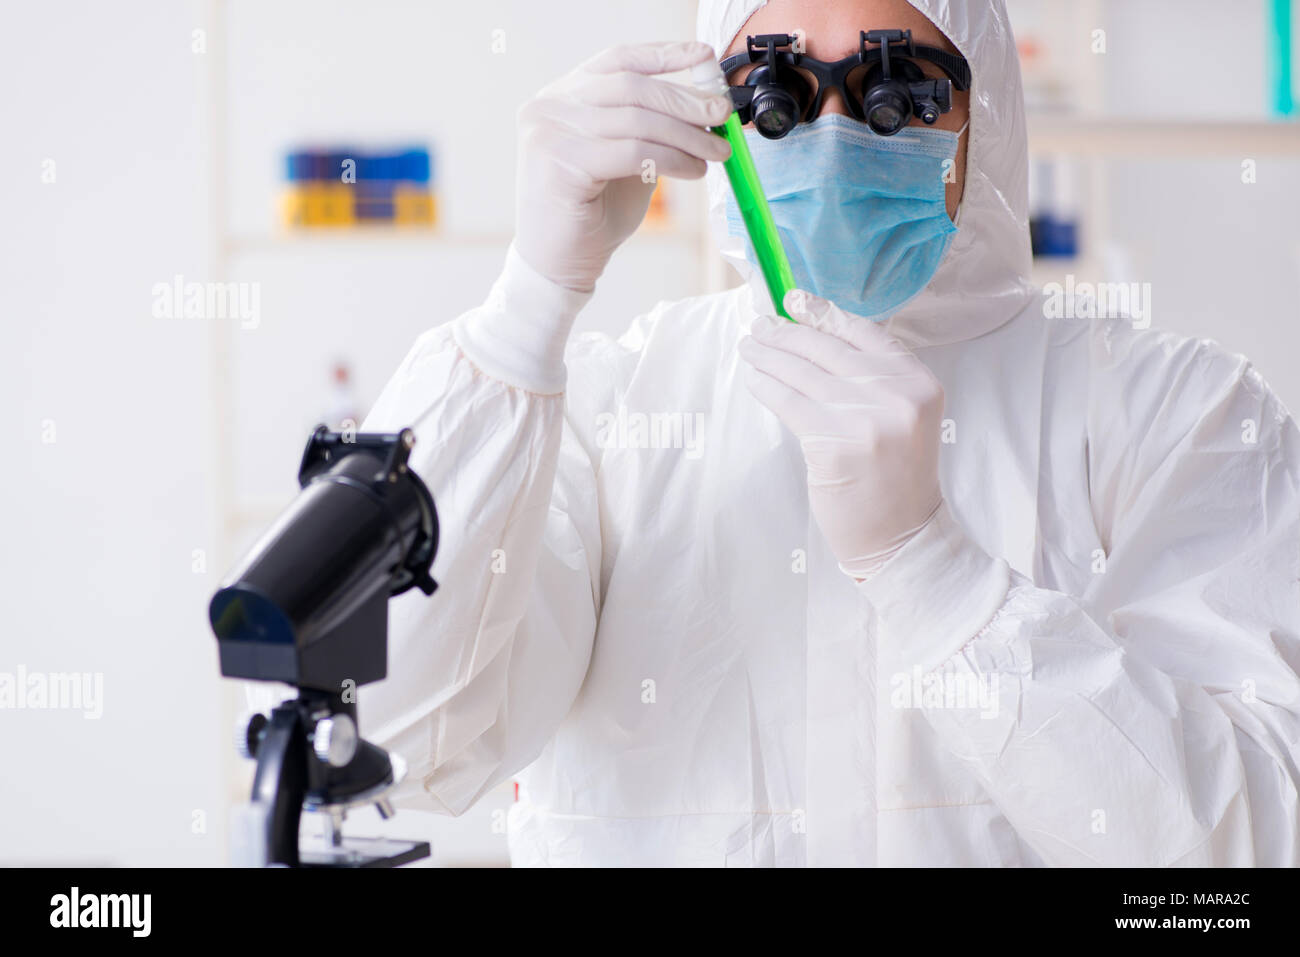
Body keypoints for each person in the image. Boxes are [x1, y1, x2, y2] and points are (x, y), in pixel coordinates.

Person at [358, 0, 1300, 866]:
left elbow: (1237, 871)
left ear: (989, 114)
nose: (838, 142)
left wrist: (937, 577)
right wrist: (527, 310)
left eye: (900, 91)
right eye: (780, 97)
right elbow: (396, 740)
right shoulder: (617, 411)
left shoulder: (1181, 416)